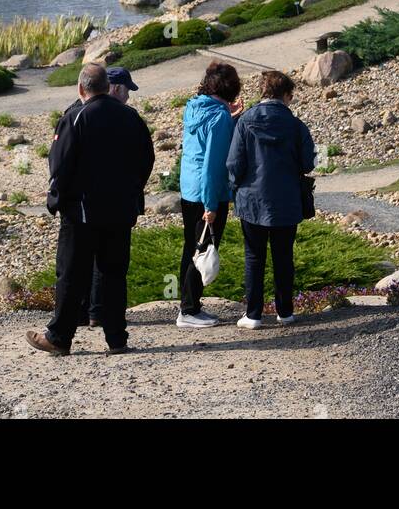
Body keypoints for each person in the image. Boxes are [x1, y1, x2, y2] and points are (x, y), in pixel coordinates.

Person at [28, 62, 154, 357]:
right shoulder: (131, 117)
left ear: (81, 88)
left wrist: (55, 199)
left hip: (82, 211)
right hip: (121, 210)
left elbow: (59, 164)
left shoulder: (76, 116)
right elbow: (146, 160)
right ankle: (116, 339)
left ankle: (59, 337)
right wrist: (133, 192)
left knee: (72, 274)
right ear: (109, 88)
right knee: (113, 273)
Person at [226, 70, 315, 329]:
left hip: (251, 200)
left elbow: (234, 163)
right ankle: (285, 311)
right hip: (286, 200)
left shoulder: (244, 121)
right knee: (283, 256)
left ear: (263, 92)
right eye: (291, 96)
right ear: (286, 95)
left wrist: (236, 189)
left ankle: (253, 314)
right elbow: (308, 163)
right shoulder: (296, 125)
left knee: (254, 256)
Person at [177, 60, 242, 329]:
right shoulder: (219, 117)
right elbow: (213, 164)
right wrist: (211, 205)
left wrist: (230, 115)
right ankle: (189, 310)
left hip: (188, 188)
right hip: (208, 192)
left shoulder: (194, 107)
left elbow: (202, 147)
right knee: (202, 249)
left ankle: (187, 304)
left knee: (190, 247)